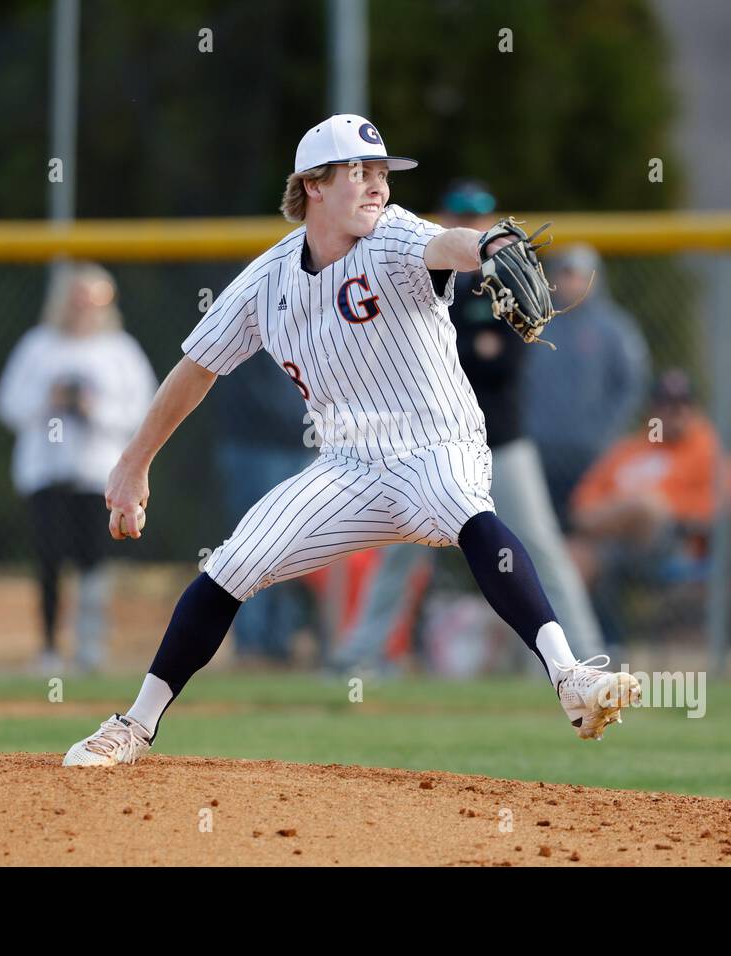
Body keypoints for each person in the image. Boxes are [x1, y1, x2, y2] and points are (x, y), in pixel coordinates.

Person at [62, 114, 640, 766]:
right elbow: (195, 370)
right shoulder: (266, 281)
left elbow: (447, 244)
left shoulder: (392, 236)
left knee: (465, 507)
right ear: (312, 183)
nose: (376, 187)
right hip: (345, 467)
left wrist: (489, 248)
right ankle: (134, 726)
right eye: (358, 173)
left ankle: (570, 677)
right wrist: (134, 464)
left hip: (436, 444)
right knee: (231, 564)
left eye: (381, 173)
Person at [330, 180, 604, 674]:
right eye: (461, 213)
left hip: (501, 441)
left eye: (480, 214)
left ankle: (584, 653)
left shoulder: (505, 270)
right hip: (430, 444)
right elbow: (416, 357)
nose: (472, 222)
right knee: (400, 553)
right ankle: (357, 661)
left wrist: (464, 350)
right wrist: (474, 346)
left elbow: (506, 362)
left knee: (540, 545)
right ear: (441, 215)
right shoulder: (418, 266)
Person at [0, 263, 156, 673]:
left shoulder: (120, 350)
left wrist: (93, 409)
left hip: (98, 473)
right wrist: (48, 399)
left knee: (94, 557)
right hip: (46, 472)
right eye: (77, 299)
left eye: (93, 300)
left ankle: (89, 647)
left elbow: (144, 411)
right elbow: (8, 404)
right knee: (49, 557)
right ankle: (48, 649)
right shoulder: (39, 346)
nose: (84, 308)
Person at [568, 369, 731, 651]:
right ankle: (577, 652)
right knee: (569, 559)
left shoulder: (708, 450)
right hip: (611, 545)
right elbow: (583, 503)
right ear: (653, 409)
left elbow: (719, 508)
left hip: (674, 544)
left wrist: (656, 507)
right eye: (666, 403)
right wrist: (628, 512)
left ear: (693, 408)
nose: (675, 411)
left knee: (648, 506)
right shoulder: (630, 449)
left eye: (683, 403)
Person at [522, 244, 650, 531]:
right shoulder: (531, 323)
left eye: (581, 275)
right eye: (566, 274)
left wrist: (605, 432)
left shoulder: (615, 328)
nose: (573, 283)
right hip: (538, 449)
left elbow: (631, 385)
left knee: (585, 530)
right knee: (537, 529)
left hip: (591, 453)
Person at [212, 350, 318, 662]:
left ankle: (279, 641)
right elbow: (257, 390)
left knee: (290, 547)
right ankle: (252, 645)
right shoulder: (257, 304)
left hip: (300, 444)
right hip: (258, 445)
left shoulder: (313, 311)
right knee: (253, 545)